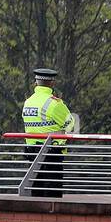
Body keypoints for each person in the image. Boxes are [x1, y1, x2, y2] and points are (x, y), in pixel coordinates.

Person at [21, 67, 76, 198]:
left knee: (35, 190)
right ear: (52, 83)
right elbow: (71, 125)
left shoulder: (28, 102)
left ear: (36, 83)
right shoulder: (55, 103)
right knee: (52, 194)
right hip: (51, 153)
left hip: (32, 153)